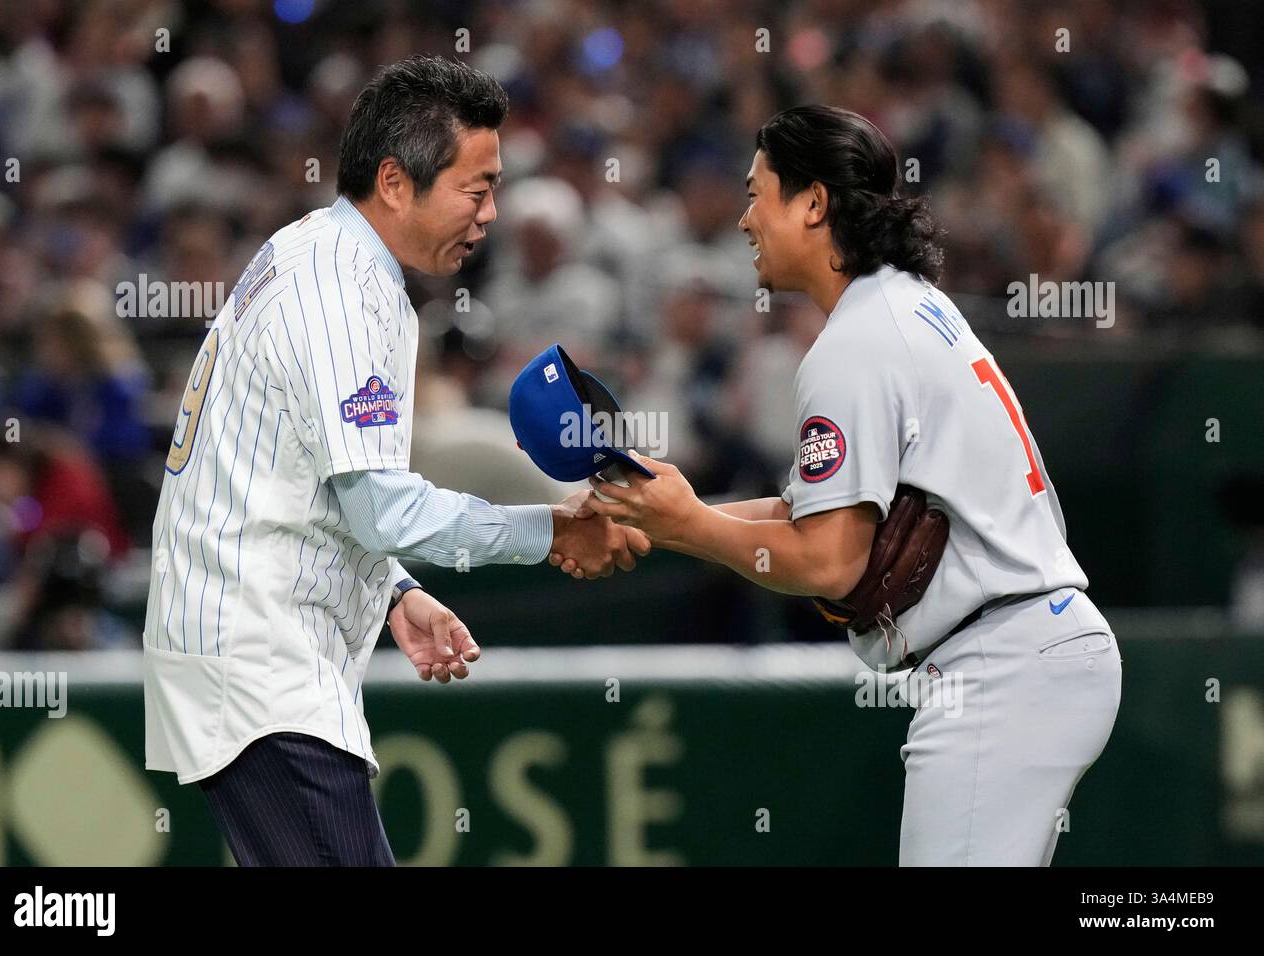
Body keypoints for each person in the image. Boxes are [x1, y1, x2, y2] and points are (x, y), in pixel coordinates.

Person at [576, 105, 1122, 866]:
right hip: (1025, 647)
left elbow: (829, 561)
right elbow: (812, 510)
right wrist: (672, 513)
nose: (743, 219)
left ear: (814, 203)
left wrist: (685, 529)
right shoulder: (907, 305)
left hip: (1003, 662)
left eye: (756, 192)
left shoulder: (856, 344)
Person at [142, 55, 648, 867]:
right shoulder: (344, 290)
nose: (490, 214)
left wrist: (394, 590)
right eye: (475, 190)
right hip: (262, 662)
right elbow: (381, 509)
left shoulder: (313, 252)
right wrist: (550, 531)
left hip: (247, 647)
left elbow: (309, 478)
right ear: (395, 181)